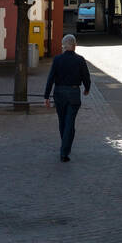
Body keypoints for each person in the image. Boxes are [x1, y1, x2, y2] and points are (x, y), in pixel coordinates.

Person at [44, 33, 91, 161]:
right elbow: (86, 77)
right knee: (70, 122)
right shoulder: (80, 60)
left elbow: (51, 78)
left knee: (62, 121)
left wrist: (46, 96)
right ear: (74, 46)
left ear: (63, 46)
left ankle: (64, 146)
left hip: (59, 93)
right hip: (74, 93)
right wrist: (87, 88)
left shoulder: (57, 59)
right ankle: (65, 151)